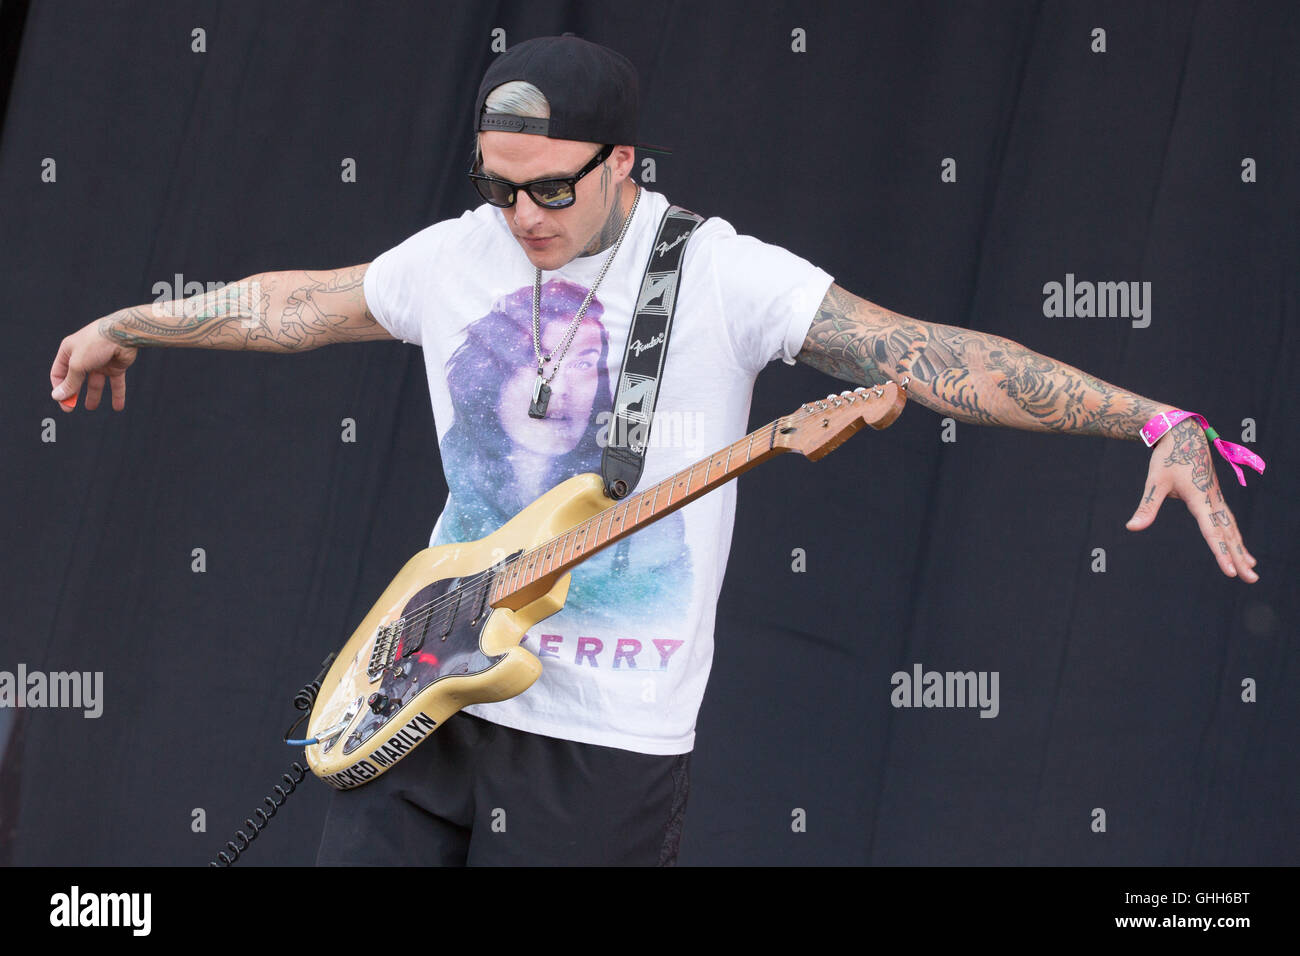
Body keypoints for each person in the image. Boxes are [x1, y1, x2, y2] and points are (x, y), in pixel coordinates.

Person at [48, 35, 1261, 866]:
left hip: (605, 739)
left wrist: (1149, 416)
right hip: (420, 683)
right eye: (500, 186)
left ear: (623, 161)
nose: (522, 216)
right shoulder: (455, 252)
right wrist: (124, 320)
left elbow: (928, 351)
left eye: (552, 190)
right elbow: (296, 304)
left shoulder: (723, 274)